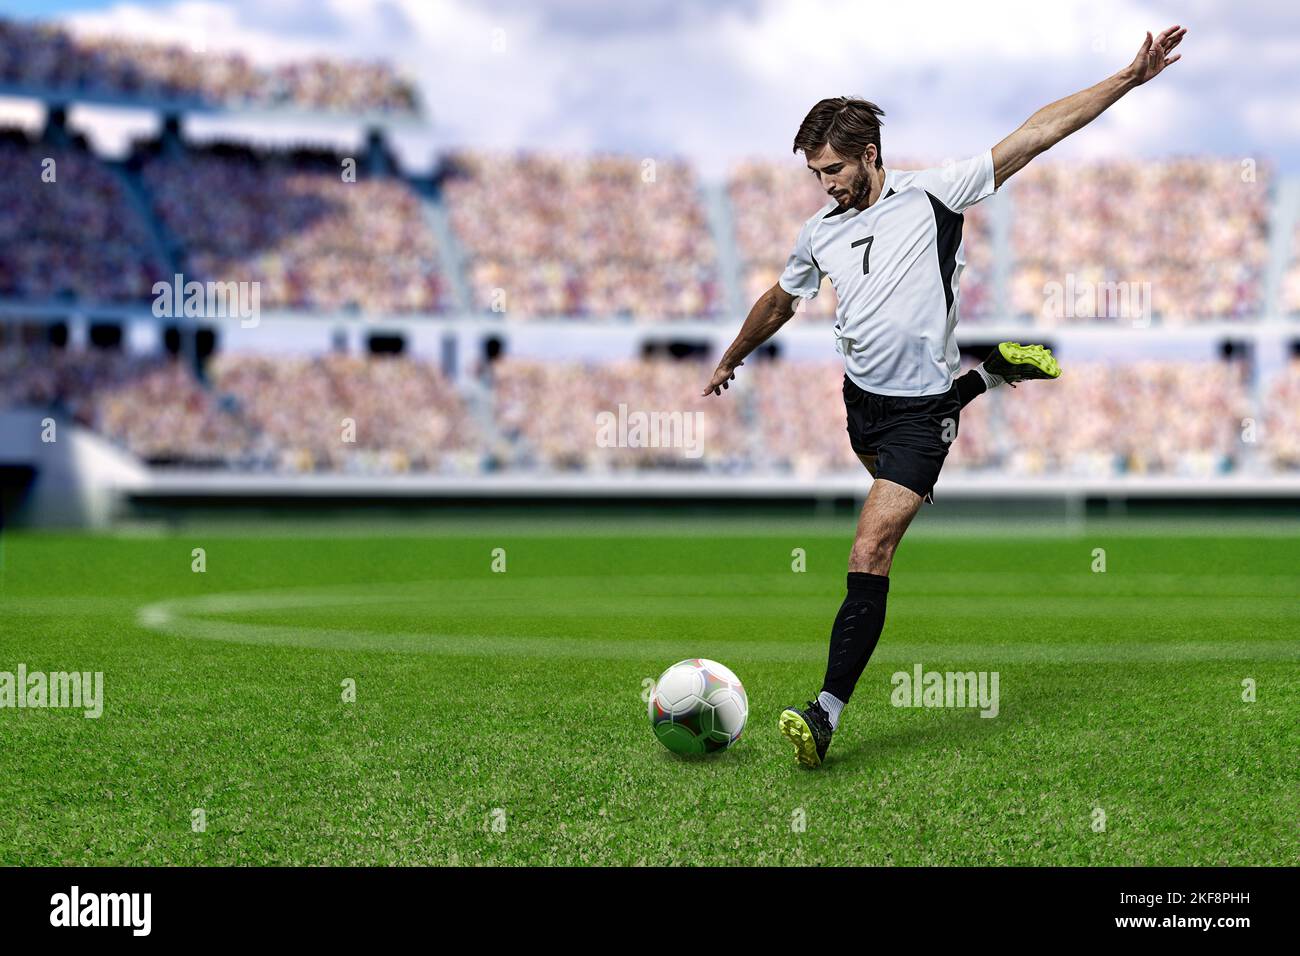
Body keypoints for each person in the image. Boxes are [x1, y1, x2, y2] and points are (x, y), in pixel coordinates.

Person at [702, 26, 1186, 767]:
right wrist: (733, 355)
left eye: (834, 168)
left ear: (870, 155)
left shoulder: (933, 192)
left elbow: (1036, 134)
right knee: (886, 469)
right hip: (861, 405)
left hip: (919, 417)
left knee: (872, 546)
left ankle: (825, 713)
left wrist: (1128, 77)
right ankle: (988, 374)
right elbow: (780, 298)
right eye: (814, 174)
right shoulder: (817, 233)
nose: (826, 183)